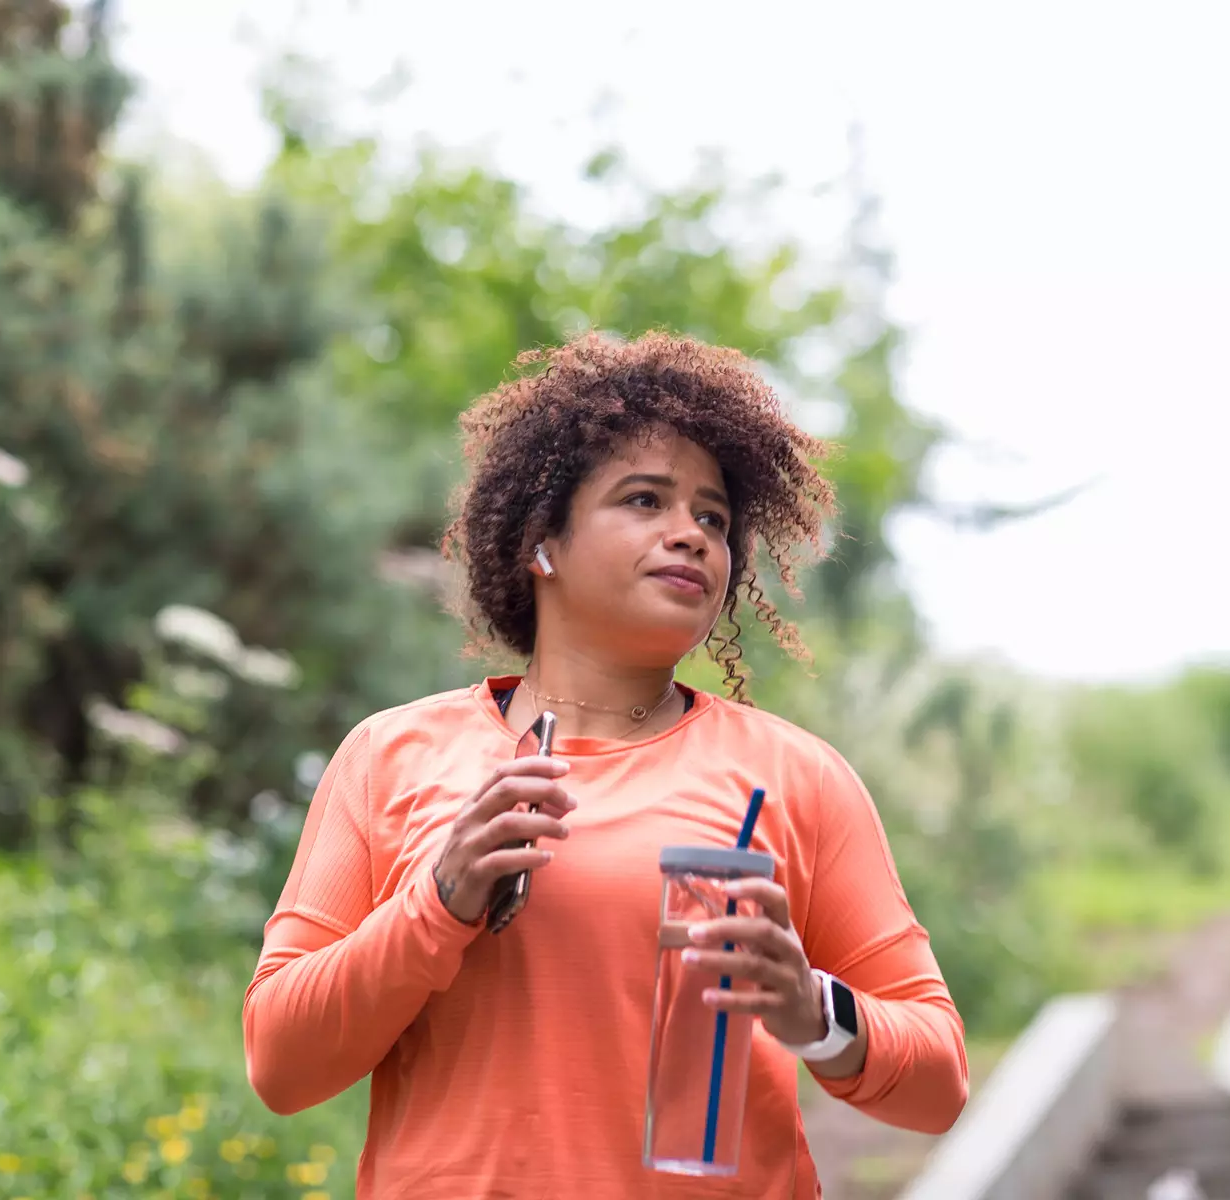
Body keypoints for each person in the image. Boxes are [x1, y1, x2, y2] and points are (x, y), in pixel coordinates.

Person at [242, 331, 969, 1198]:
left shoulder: (792, 776)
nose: (690, 535)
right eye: (644, 500)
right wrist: (437, 900)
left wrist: (816, 1011)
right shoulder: (391, 756)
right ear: (541, 542)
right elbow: (281, 1065)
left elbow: (939, 1082)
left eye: (713, 519)